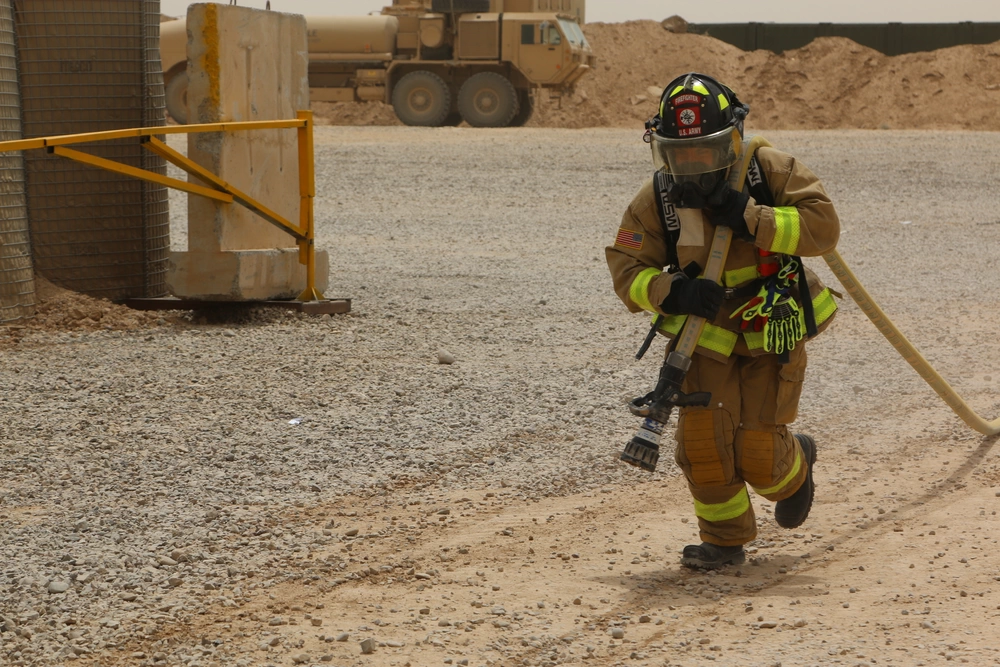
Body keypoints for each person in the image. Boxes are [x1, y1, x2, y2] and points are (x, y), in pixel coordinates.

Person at [605, 72, 841, 569]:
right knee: (703, 445)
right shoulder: (659, 197)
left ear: (732, 139)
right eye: (679, 154)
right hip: (704, 334)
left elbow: (823, 227)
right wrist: (674, 291)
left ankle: (796, 462)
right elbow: (627, 268)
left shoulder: (768, 170)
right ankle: (724, 539)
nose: (692, 166)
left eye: (706, 152)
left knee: (758, 453)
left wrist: (754, 217)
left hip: (769, 326)